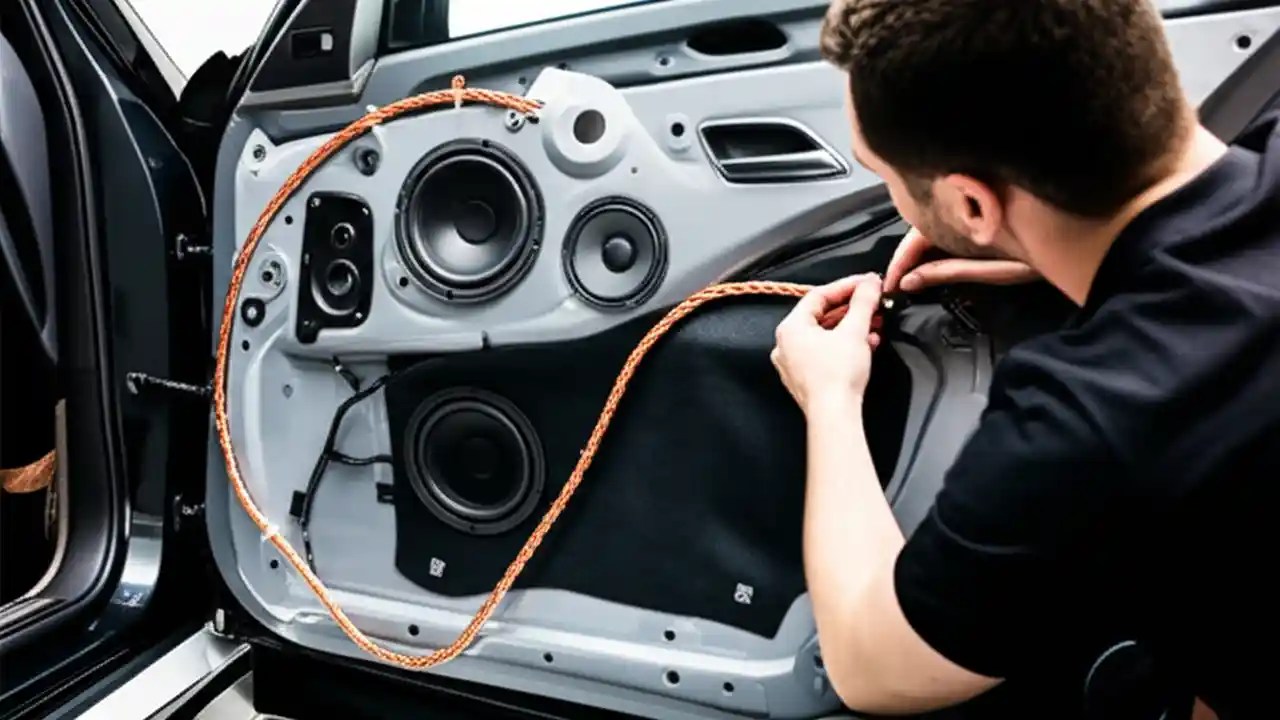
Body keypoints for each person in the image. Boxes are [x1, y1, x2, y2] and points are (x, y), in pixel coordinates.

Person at [769, 0, 1279, 717]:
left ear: (974, 206)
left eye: (880, 171)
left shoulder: (1092, 418)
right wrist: (1056, 250)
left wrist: (828, 395)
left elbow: (871, 665)